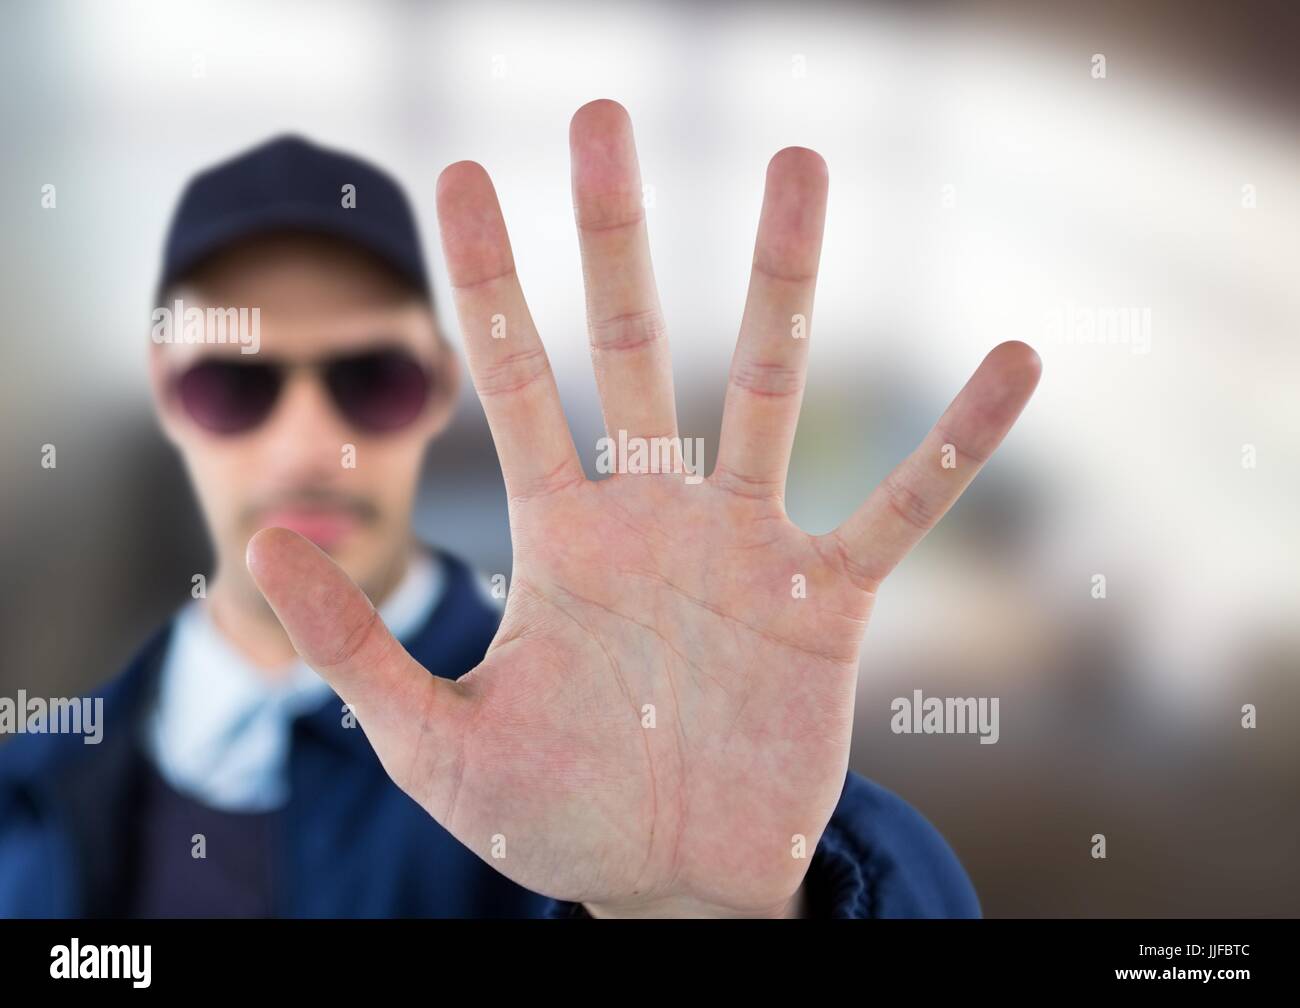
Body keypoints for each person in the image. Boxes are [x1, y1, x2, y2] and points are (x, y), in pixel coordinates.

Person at [0, 99, 1039, 918]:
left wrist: (703, 915)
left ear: (444, 385)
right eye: (236, 381)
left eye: (370, 378)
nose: (310, 439)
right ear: (161, 387)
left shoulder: (614, 729)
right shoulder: (28, 788)